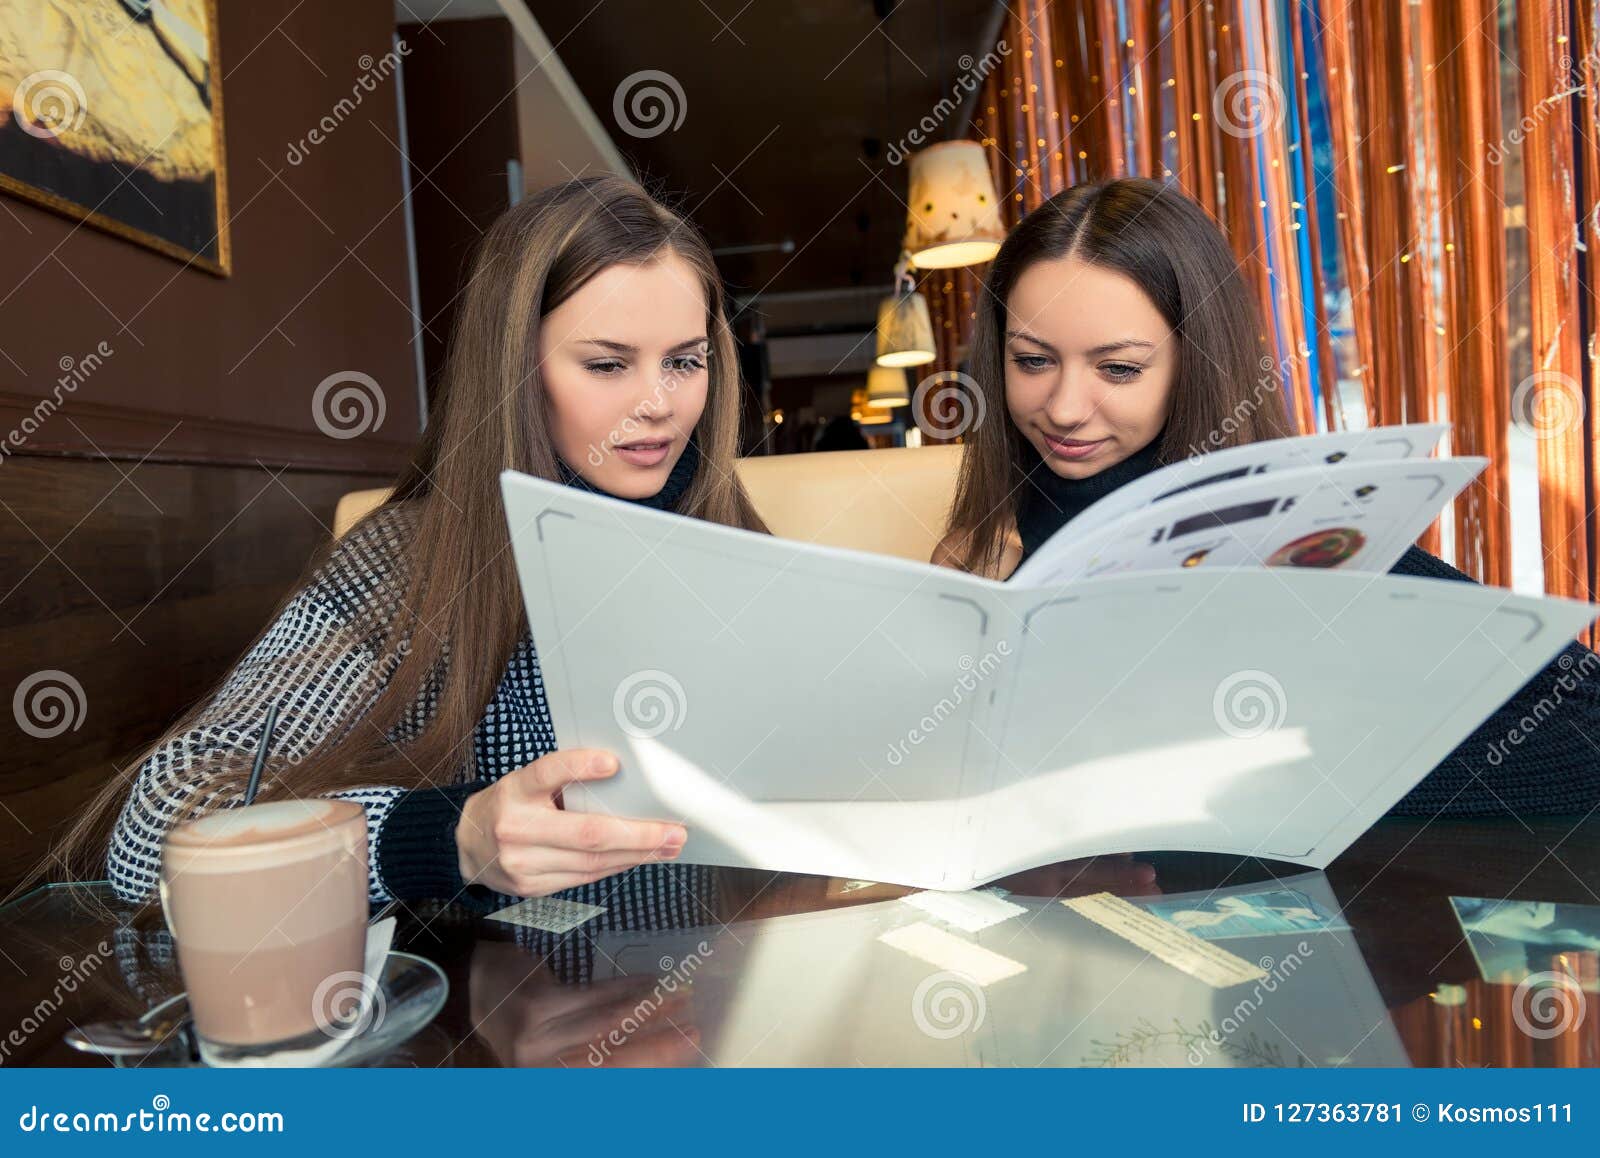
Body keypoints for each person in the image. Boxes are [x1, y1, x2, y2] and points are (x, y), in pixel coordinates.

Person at [48, 175, 766, 914]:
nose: (659, 405)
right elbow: (150, 838)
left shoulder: (734, 543)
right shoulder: (410, 563)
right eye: (608, 364)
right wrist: (443, 838)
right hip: (508, 1009)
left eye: (685, 360)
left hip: (738, 990)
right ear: (515, 369)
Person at [932, 177, 1600, 817]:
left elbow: (1583, 724)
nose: (1066, 408)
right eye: (1033, 360)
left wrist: (1272, 780)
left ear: (1195, 363)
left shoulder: (1286, 527)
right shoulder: (981, 549)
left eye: (1118, 369)